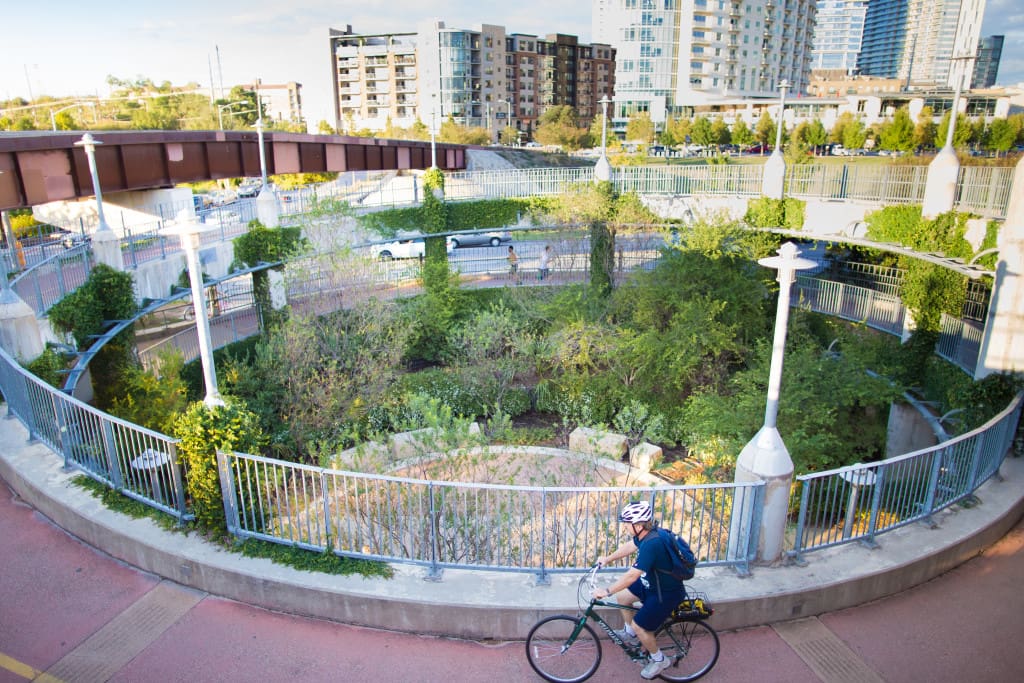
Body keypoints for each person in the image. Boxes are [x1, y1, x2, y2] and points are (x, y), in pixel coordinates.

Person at [593, 501, 686, 680]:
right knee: (623, 596)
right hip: (653, 583)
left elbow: (632, 576)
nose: (626, 526)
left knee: (640, 626)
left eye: (627, 523)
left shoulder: (653, 544)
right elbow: (630, 546)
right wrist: (607, 559)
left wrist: (606, 591)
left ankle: (659, 660)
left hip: (665, 593)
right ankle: (630, 633)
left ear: (638, 525)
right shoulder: (647, 534)